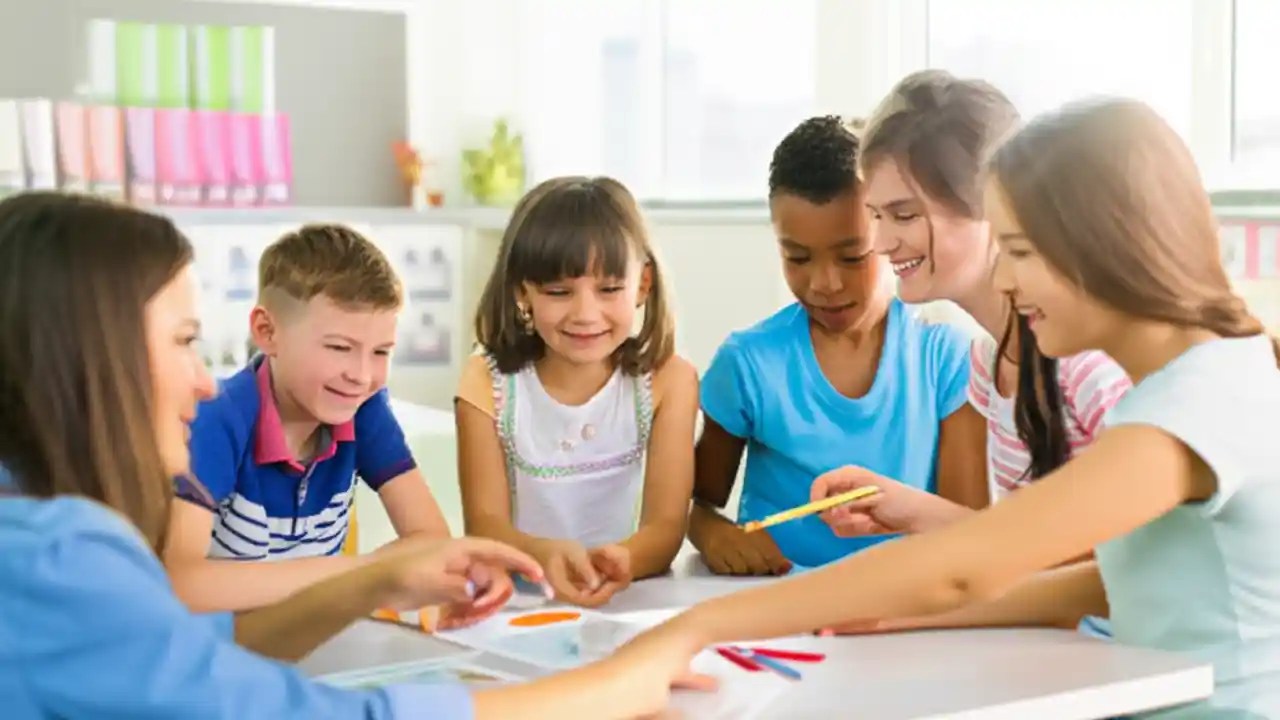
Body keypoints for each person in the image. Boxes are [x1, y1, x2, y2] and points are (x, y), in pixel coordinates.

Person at [629, 99, 1280, 718]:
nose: (1002, 280)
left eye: (1019, 252)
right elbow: (1106, 583)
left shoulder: (1191, 409)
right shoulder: (1206, 378)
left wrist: (698, 627)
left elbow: (966, 567)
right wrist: (897, 615)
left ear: (1107, 246)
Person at [0, 192, 711, 719]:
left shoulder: (41, 532)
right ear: (85, 355)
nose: (199, 377)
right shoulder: (54, 560)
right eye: (184, 341)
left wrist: (372, 582)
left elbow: (200, 655)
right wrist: (604, 692)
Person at [815, 70, 1131, 541]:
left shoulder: (1087, 364)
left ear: (991, 204)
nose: (880, 242)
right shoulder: (987, 365)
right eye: (876, 216)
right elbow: (1026, 542)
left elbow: (1117, 567)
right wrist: (902, 507)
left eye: (903, 215)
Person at [687, 115, 986, 575]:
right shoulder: (748, 362)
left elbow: (968, 528)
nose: (824, 283)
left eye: (852, 257)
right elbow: (695, 503)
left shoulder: (947, 357)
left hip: (902, 606)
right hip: (776, 598)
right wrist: (711, 533)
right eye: (797, 257)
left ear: (887, 236)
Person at [166, 224, 461, 614]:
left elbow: (432, 540)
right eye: (340, 347)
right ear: (267, 332)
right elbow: (180, 582)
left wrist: (354, 579)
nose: (361, 374)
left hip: (309, 637)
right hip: (226, 647)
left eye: (381, 352)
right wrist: (360, 576)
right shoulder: (218, 417)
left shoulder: (364, 407)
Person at [456, 176, 698, 607]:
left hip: (624, 598)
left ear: (642, 285)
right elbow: (485, 525)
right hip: (520, 601)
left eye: (608, 289)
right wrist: (542, 555)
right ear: (521, 292)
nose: (586, 314)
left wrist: (622, 560)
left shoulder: (670, 381)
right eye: (558, 292)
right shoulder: (485, 383)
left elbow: (665, 528)